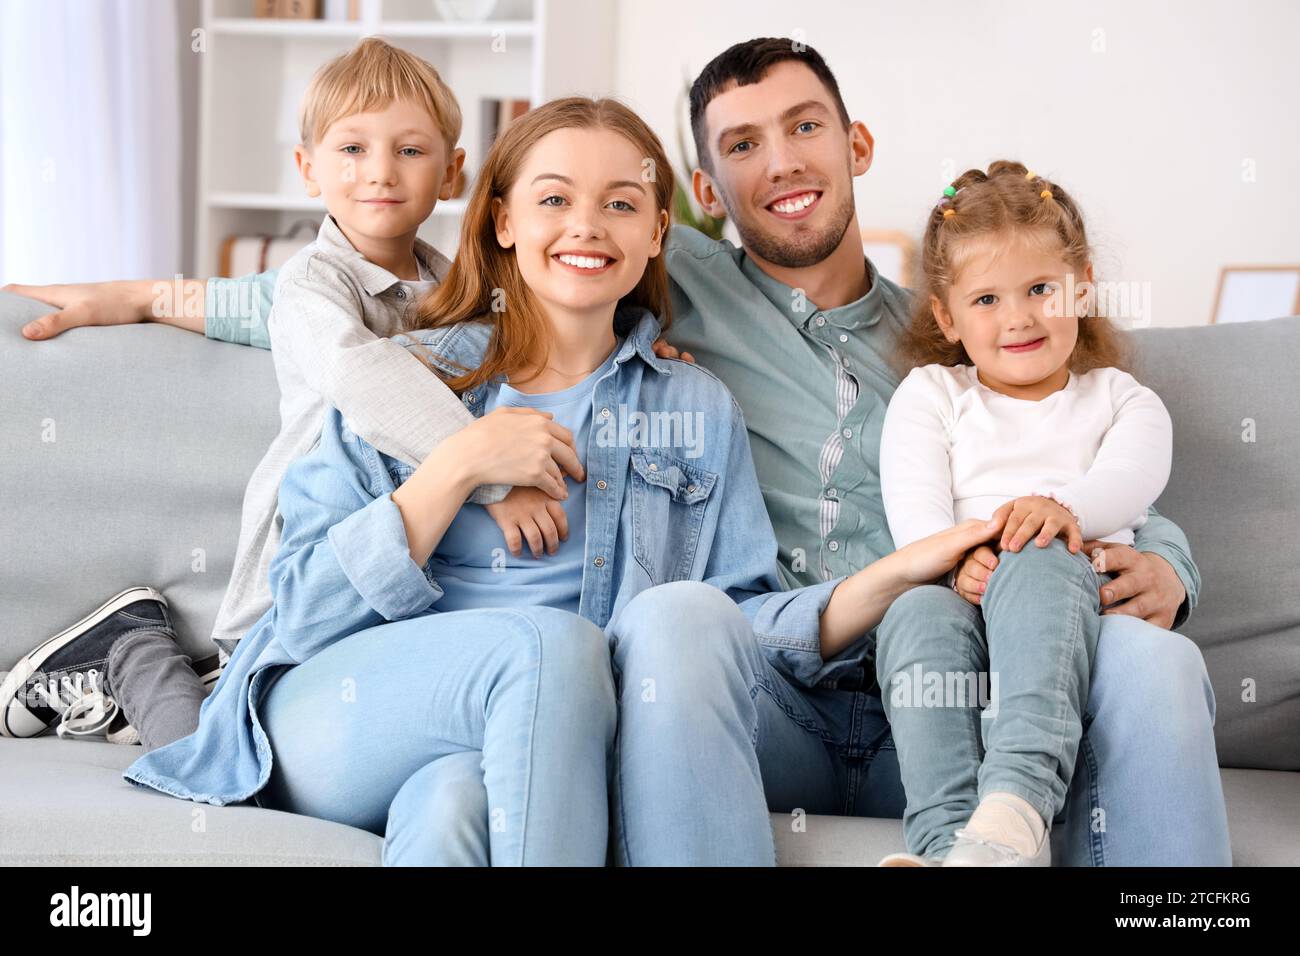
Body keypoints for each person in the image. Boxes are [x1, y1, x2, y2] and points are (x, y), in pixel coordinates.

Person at [4, 37, 1230, 866]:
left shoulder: (942, 338)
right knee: (594, 639)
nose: (585, 225)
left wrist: (1159, 560)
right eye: (549, 200)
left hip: (878, 662)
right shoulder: (411, 372)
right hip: (419, 678)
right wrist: (451, 460)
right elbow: (311, 323)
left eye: (806, 129)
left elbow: (1064, 431)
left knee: (455, 809)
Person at [0, 37, 573, 752]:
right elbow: (362, 375)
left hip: (398, 577)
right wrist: (492, 475)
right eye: (352, 149)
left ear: (452, 172)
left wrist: (642, 346)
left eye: (410, 151)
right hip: (300, 580)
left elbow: (531, 343)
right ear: (307, 169)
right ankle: (130, 652)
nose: (380, 173)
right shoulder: (310, 286)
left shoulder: (455, 293)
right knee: (210, 751)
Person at [874, 160, 1174, 866]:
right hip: (960, 596)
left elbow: (1134, 479)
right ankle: (951, 847)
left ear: (1082, 284)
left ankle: (1014, 812)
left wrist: (1054, 511)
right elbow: (914, 510)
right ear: (945, 316)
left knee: (1040, 546)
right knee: (911, 613)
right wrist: (953, 564)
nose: (1018, 317)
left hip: (1066, 599)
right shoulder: (931, 395)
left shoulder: (1120, 399)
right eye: (985, 300)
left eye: (1041, 289)